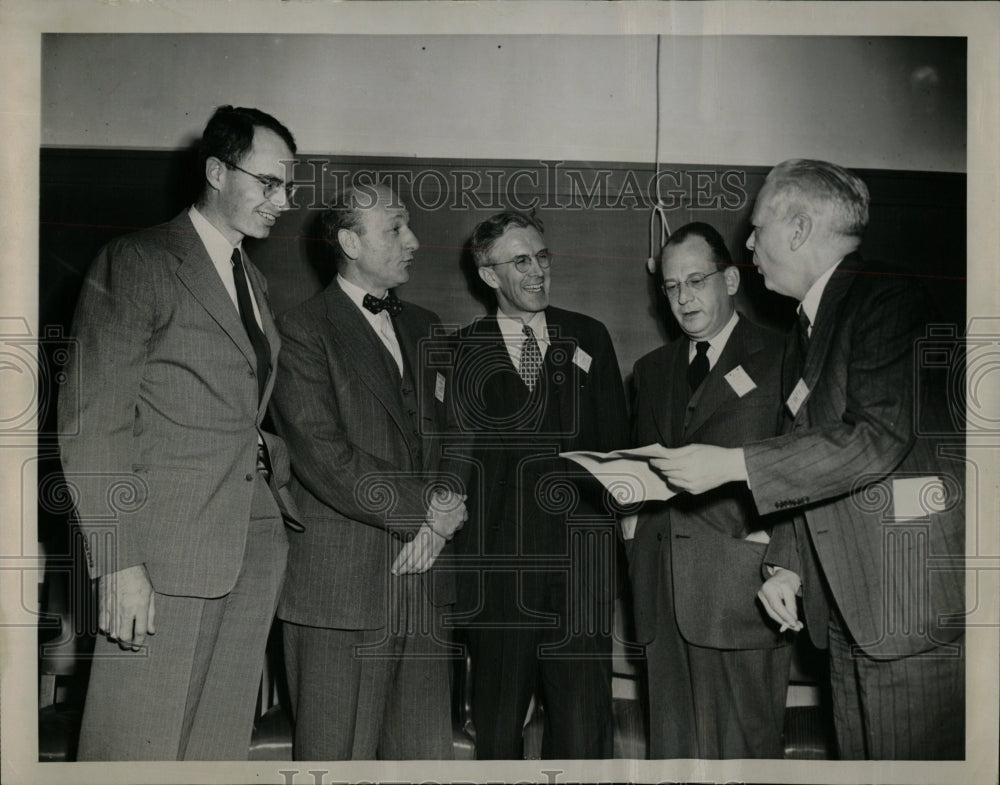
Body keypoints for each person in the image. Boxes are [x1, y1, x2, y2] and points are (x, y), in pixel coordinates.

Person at [649, 159, 966, 760]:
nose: (748, 243)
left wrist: (731, 463)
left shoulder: (887, 299)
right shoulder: (806, 327)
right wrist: (787, 567)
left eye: (758, 228)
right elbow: (812, 460)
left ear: (798, 229)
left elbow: (873, 439)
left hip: (902, 606)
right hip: (848, 605)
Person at [58, 105, 301, 760]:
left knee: (215, 747)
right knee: (135, 748)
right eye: (269, 182)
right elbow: (91, 421)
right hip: (161, 552)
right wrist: (117, 561)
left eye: (290, 186)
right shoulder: (138, 260)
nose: (282, 201)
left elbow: (237, 410)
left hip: (247, 545)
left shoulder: (253, 278)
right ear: (218, 171)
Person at [270, 183, 465, 760]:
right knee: (338, 761)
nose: (414, 240)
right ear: (350, 241)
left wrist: (442, 520)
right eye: (396, 229)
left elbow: (459, 438)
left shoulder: (428, 326)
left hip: (425, 586)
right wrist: (424, 514)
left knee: (423, 761)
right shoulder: (302, 329)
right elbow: (324, 457)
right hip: (340, 594)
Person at [450, 210, 628, 759]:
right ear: (488, 275)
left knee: (581, 733)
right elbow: (456, 467)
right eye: (520, 260)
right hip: (500, 583)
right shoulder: (460, 351)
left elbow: (617, 455)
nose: (537, 271)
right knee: (499, 732)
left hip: (580, 577)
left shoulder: (588, 336)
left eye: (542, 257)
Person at [627, 222, 791, 758]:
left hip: (742, 595)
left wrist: (779, 554)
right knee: (670, 758)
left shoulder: (785, 357)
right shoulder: (650, 370)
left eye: (696, 280)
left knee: (744, 758)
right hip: (661, 595)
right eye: (672, 287)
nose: (684, 297)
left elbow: (804, 471)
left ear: (731, 279)